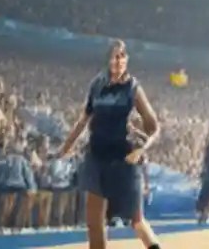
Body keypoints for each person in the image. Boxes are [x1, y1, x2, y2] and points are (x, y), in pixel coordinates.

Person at [56, 40, 162, 249]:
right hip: (96, 159)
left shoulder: (133, 88)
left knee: (137, 221)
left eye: (123, 56)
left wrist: (141, 149)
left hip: (123, 160)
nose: (119, 60)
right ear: (107, 60)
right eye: (115, 56)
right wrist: (65, 147)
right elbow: (83, 120)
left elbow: (154, 127)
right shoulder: (96, 85)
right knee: (94, 224)